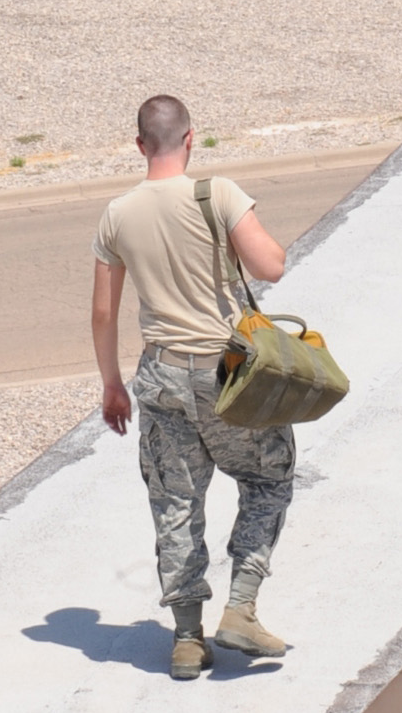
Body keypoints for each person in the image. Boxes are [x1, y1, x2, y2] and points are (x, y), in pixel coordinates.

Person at [91, 95, 296, 682]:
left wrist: (112, 385)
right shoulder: (218, 194)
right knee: (268, 478)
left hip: (159, 376)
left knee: (176, 503)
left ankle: (185, 639)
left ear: (138, 145)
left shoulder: (116, 215)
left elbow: (103, 316)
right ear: (191, 139)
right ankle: (241, 607)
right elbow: (271, 267)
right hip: (226, 373)